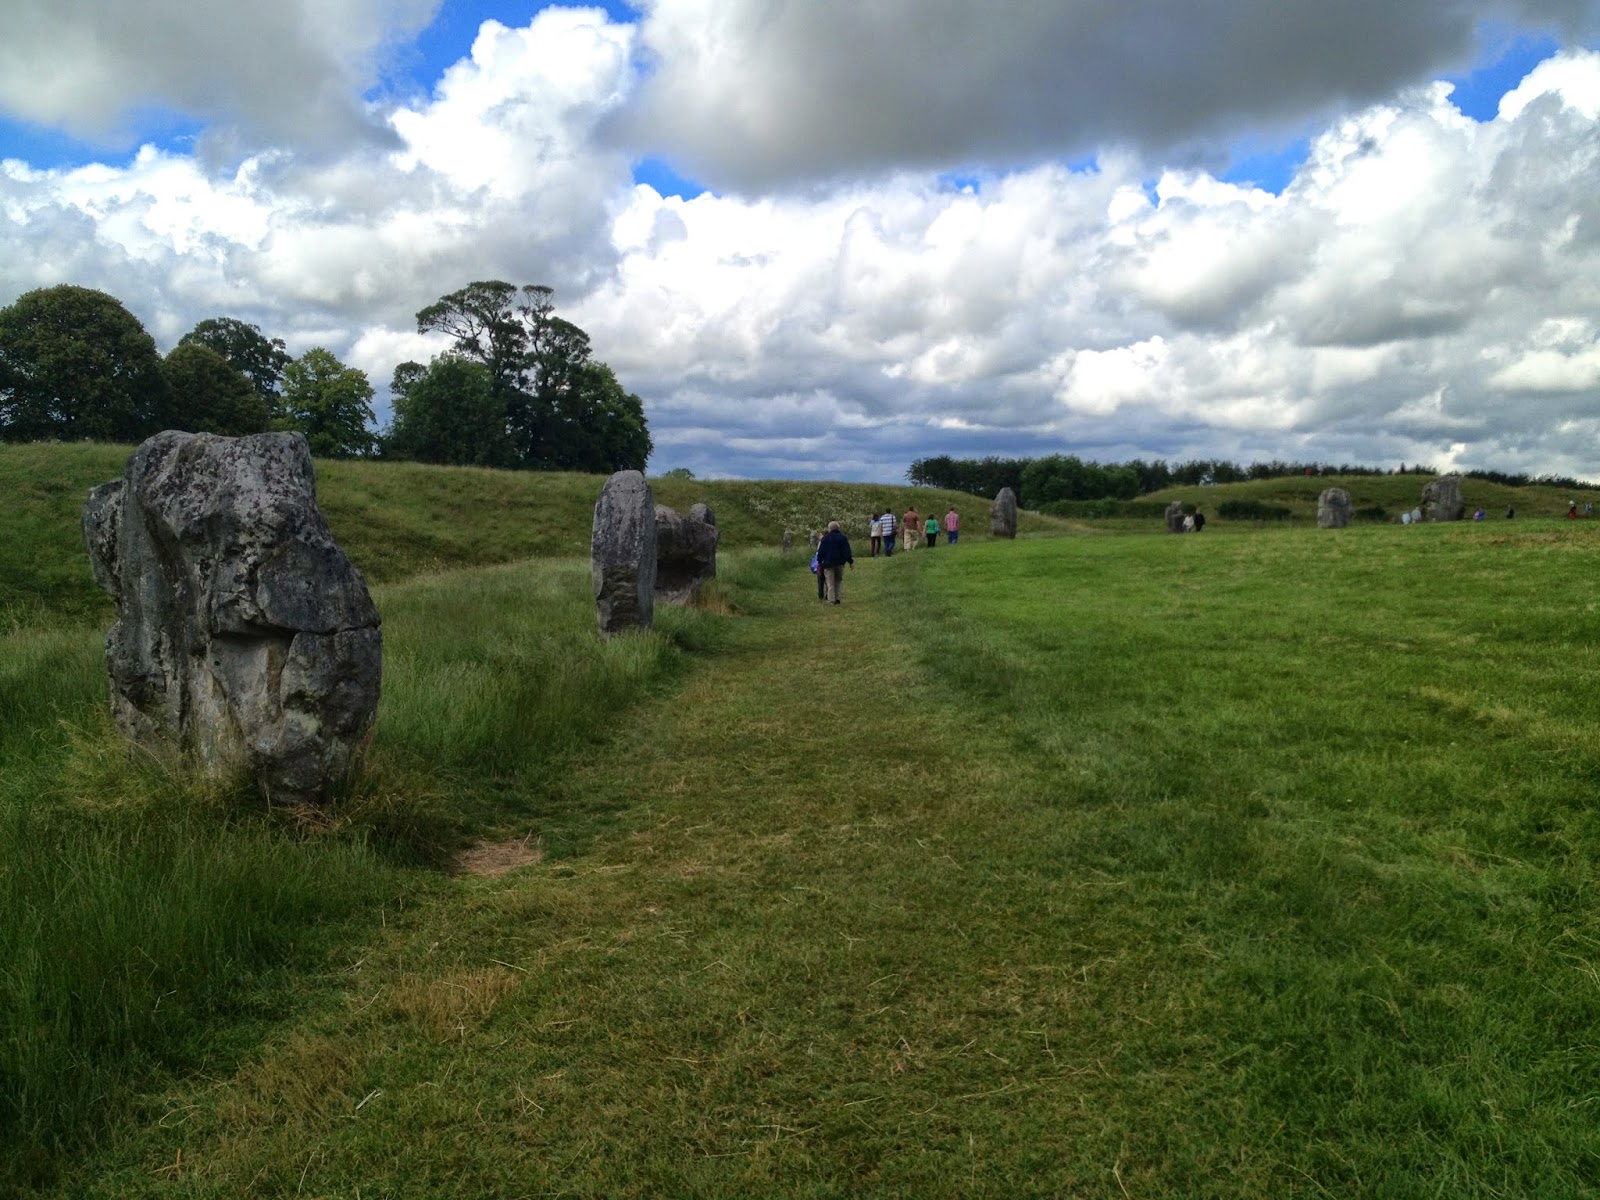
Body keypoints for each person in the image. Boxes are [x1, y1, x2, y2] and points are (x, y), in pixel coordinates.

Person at [816, 520, 854, 604]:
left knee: (830, 582)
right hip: (840, 563)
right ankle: (837, 598)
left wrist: (819, 561)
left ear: (829, 528)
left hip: (828, 563)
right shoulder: (843, 538)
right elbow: (847, 551)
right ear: (838, 528)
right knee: (838, 581)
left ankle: (831, 600)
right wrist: (850, 561)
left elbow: (821, 551)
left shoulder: (825, 538)